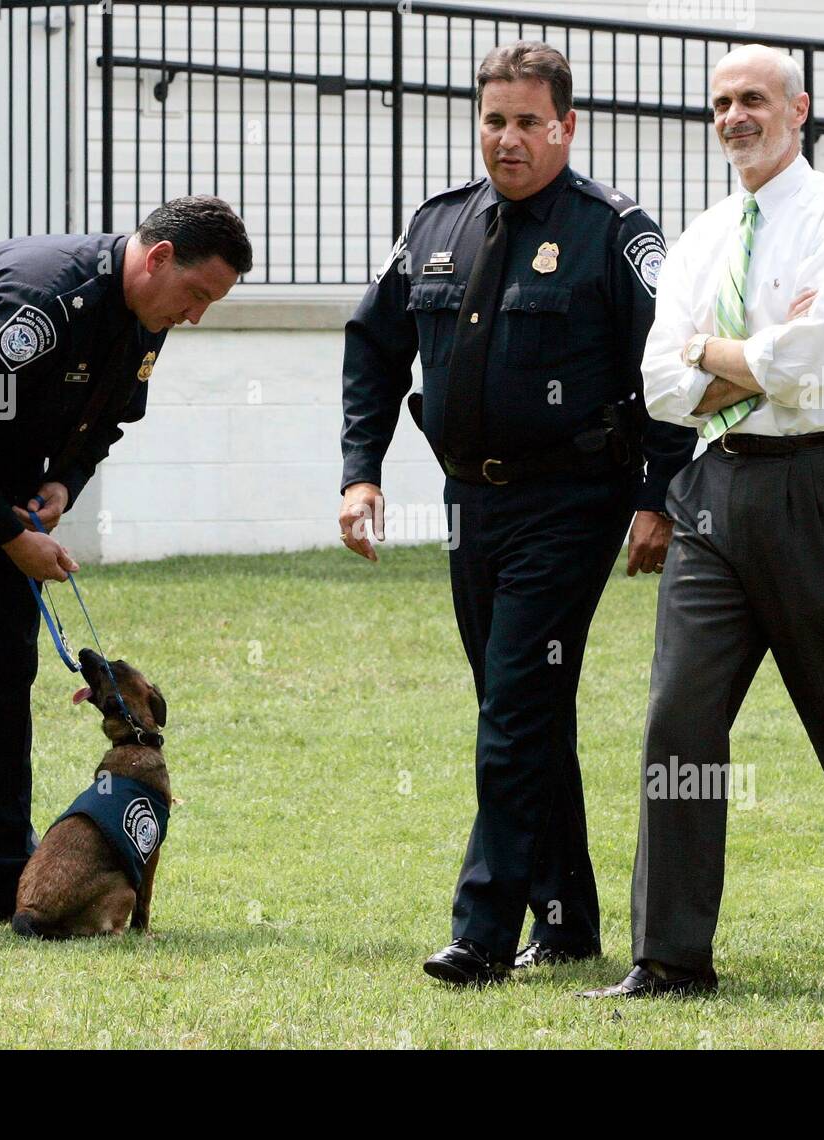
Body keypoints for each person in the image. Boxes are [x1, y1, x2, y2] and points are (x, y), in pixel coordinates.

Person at [578, 45, 824, 1000]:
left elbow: (815, 361)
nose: (735, 117)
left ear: (798, 109)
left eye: (753, 99)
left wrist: (721, 353)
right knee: (680, 717)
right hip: (714, 494)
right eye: (720, 103)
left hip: (822, 489)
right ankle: (671, 957)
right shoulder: (704, 235)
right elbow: (660, 384)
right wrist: (753, 355)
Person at [338, 41, 695, 986]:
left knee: (513, 712)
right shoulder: (436, 225)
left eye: (529, 121)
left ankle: (483, 931)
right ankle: (569, 917)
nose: (508, 138)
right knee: (521, 708)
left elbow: (665, 371)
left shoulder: (612, 231)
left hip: (572, 502)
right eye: (494, 119)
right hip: (470, 503)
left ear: (566, 127)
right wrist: (359, 472)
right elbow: (373, 346)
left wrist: (657, 497)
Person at [0, 196, 252, 931]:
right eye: (196, 295)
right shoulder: (44, 299)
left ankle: (3, 877)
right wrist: (10, 535)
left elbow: (108, 420)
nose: (196, 316)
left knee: (1, 677)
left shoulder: (141, 321)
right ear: (158, 258)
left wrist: (63, 480)